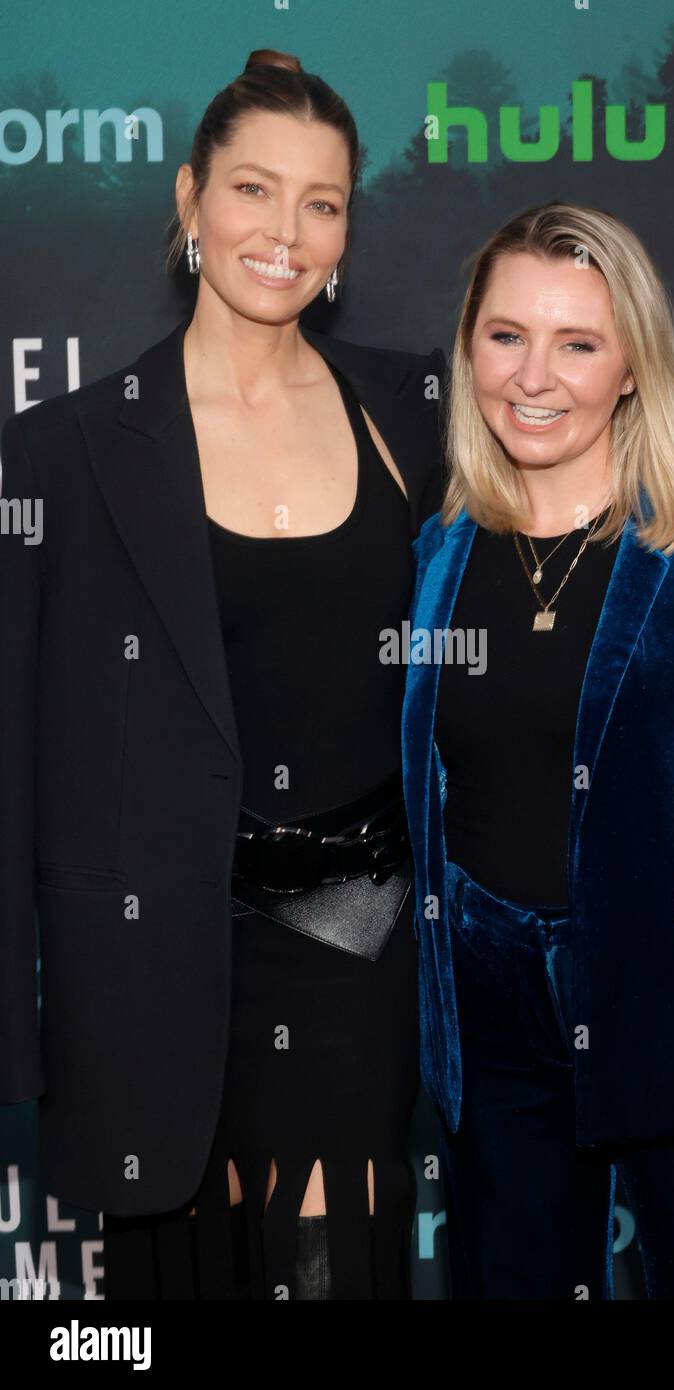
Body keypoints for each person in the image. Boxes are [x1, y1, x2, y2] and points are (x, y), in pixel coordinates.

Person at [0, 49, 446, 1300]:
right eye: (255, 190)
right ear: (190, 198)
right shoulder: (62, 453)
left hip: (352, 947)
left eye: (323, 201)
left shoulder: (412, 416)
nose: (286, 232)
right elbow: (13, 758)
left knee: (322, 1272)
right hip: (148, 962)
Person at [401, 202, 674, 1300]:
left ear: (633, 368)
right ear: (468, 350)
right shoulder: (439, 552)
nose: (533, 375)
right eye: (506, 335)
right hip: (494, 1028)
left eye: (577, 343)